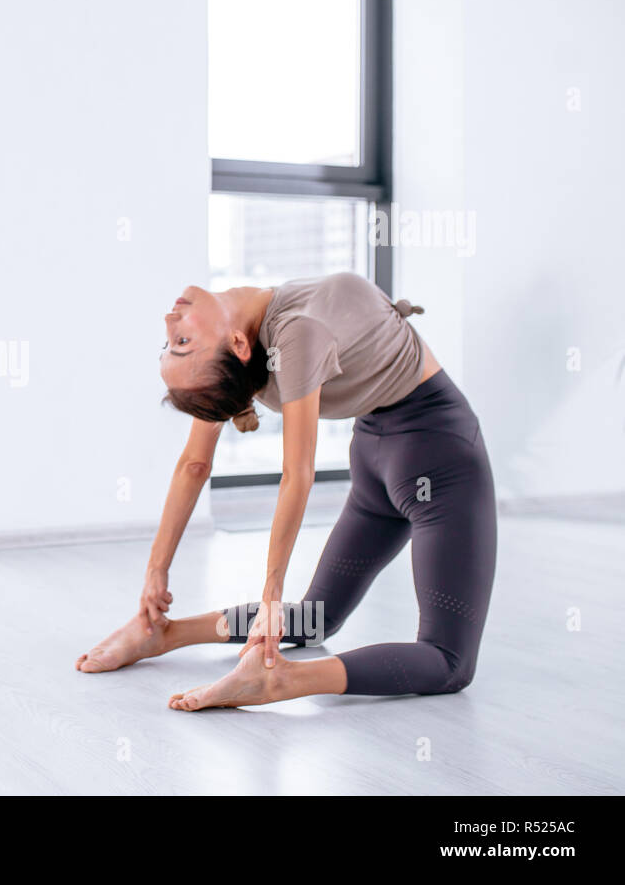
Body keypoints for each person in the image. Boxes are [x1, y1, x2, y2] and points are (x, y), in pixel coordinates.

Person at [76, 272, 496, 711]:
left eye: (174, 343)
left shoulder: (256, 350)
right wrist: (263, 594)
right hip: (438, 454)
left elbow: (199, 464)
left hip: (374, 454)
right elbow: (295, 473)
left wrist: (158, 571)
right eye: (178, 342)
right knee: (450, 659)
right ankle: (283, 679)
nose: (169, 322)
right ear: (237, 346)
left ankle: (166, 634)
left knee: (318, 619)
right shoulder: (288, 338)